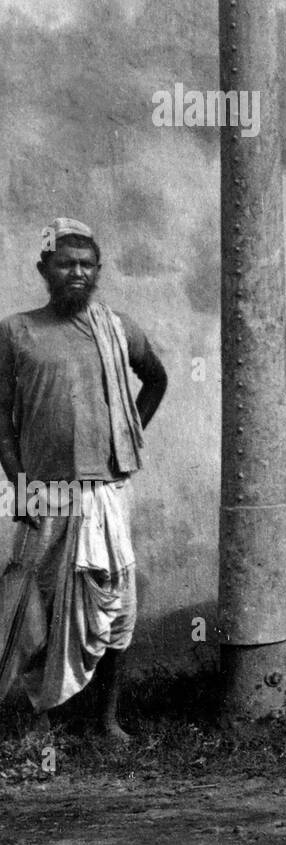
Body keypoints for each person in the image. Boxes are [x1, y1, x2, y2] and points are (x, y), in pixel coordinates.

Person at [0, 219, 167, 740]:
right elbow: (0, 415)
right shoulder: (16, 331)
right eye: (66, 263)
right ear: (44, 269)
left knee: (115, 602)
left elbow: (156, 377)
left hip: (106, 491)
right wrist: (20, 482)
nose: (78, 272)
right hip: (45, 491)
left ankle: (106, 719)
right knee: (40, 604)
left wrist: (126, 434)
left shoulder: (117, 327)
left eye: (87, 264)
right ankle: (39, 718)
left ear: (98, 271)